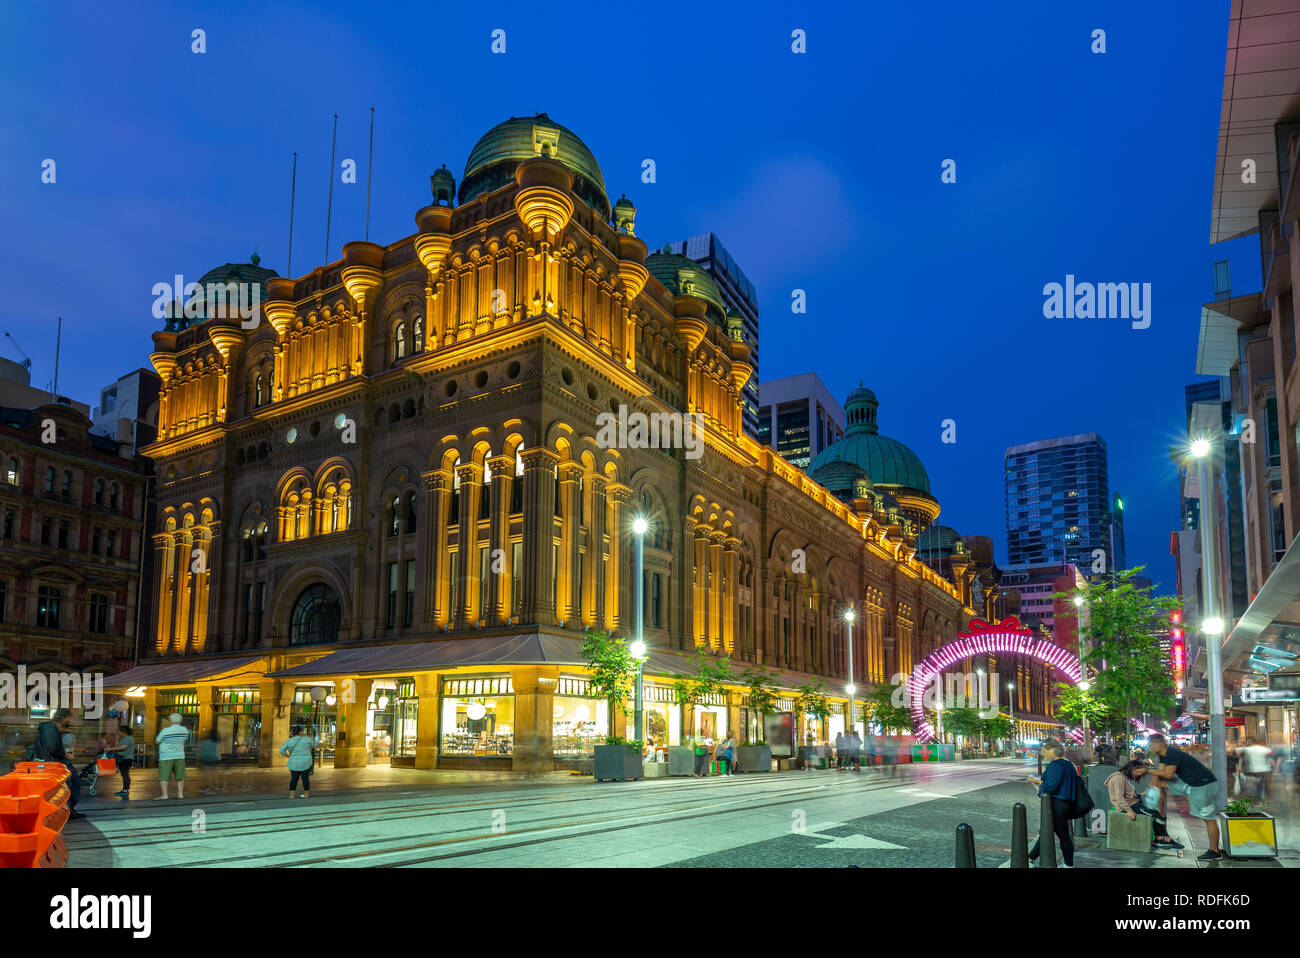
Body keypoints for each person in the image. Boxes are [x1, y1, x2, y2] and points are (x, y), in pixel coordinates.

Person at [1136, 733, 1221, 861]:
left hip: (1202, 785)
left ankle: (1215, 851)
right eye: (1150, 744)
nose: (1150, 747)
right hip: (1188, 785)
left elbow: (1168, 774)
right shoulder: (1163, 755)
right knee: (1158, 782)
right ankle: (1159, 824)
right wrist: (1149, 789)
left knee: (1208, 819)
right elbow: (1160, 774)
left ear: (1161, 743)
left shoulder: (1172, 753)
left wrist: (1146, 770)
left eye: (1152, 743)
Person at [1106, 760, 1183, 850]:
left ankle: (1161, 838)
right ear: (1132, 768)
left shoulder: (1123, 777)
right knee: (1156, 815)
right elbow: (1119, 797)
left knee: (1157, 813)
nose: (1138, 775)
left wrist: (1138, 795)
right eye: (1138, 772)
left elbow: (1126, 794)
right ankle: (1164, 839)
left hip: (1132, 803)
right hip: (1129, 806)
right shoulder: (1119, 778)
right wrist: (1129, 811)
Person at [1026, 741, 1077, 867]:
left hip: (1056, 804)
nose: (1044, 754)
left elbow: (1050, 787)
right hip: (1066, 804)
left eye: (1045, 751)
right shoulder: (1069, 764)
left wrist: (1037, 783)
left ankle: (1068, 864)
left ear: (1053, 750)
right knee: (1050, 832)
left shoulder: (1056, 765)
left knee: (1059, 835)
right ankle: (1030, 858)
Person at [30, 708, 83, 818]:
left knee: (71, 784)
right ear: (63, 718)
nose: (69, 720)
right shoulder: (51, 729)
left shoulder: (49, 728)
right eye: (69, 718)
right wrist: (65, 754)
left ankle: (68, 810)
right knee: (69, 785)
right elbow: (52, 748)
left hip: (53, 762)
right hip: (54, 763)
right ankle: (66, 811)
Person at [155, 713, 190, 799]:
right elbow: (185, 739)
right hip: (180, 755)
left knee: (164, 776)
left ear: (170, 721)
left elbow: (157, 741)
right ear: (180, 721)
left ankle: (165, 795)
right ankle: (180, 794)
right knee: (180, 776)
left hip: (166, 756)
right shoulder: (185, 730)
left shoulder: (165, 730)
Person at [280, 725, 315, 798]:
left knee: (294, 779)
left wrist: (287, 755)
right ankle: (306, 795)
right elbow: (313, 745)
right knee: (305, 778)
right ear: (300, 732)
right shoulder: (307, 739)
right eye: (302, 731)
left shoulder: (289, 740)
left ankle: (292, 795)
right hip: (305, 762)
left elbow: (281, 750)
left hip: (294, 762)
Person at [198, 729, 227, 794]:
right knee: (214, 773)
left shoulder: (205, 741)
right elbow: (219, 750)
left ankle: (208, 787)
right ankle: (213, 786)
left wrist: (199, 758)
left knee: (208, 773)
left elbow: (201, 749)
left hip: (206, 758)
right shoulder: (217, 741)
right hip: (215, 758)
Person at [109, 724, 134, 797]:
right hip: (123, 758)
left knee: (125, 774)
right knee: (124, 774)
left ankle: (125, 790)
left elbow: (123, 747)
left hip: (126, 758)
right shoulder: (125, 738)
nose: (118, 732)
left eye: (119, 731)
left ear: (123, 732)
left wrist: (110, 749)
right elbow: (117, 746)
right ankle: (125, 790)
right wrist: (117, 738)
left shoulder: (128, 738)